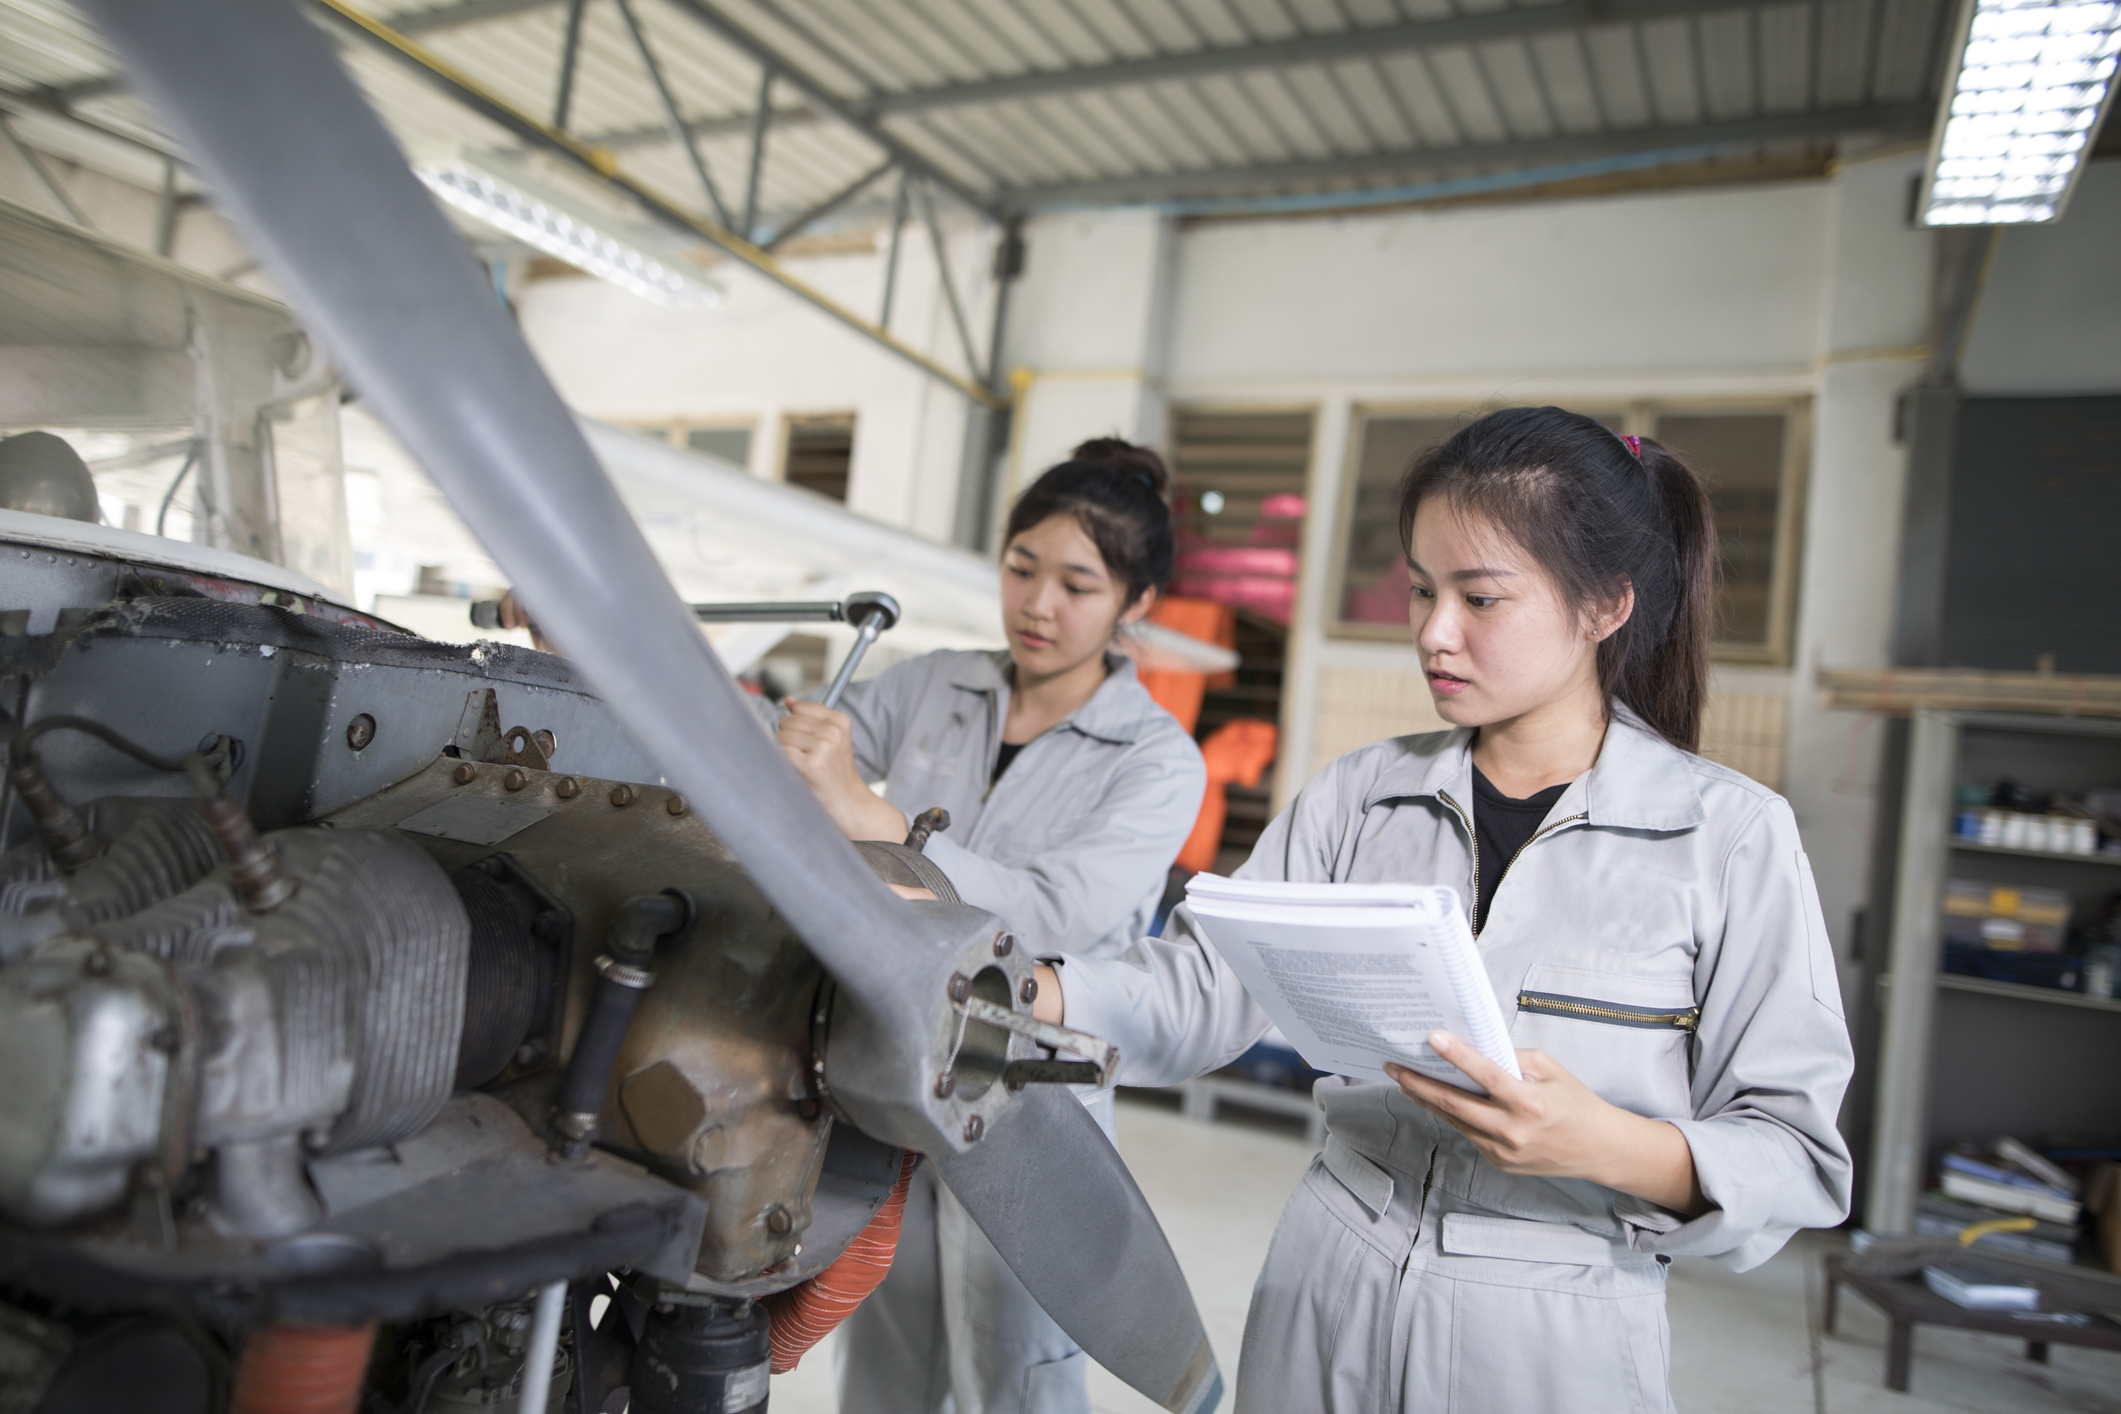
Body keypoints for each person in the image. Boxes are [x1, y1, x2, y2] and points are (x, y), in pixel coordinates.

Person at [1028, 407, 1855, 1413]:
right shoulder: (1356, 797)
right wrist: (1046, 988)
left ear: (1604, 606)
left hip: (1555, 1322)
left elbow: (1796, 1153)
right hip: (1324, 1283)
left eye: (1481, 597)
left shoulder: (1728, 838)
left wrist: (1602, 1142)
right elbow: (1207, 986)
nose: (1432, 631)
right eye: (1422, 590)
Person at [772, 437, 1208, 1414]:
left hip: (1027, 1101)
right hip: (888, 1073)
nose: (1038, 605)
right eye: (1021, 568)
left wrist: (878, 818)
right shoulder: (936, 682)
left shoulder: (1157, 760)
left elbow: (1058, 915)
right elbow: (794, 761)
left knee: (1016, 1374)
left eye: (1078, 585)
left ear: (1135, 606)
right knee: (882, 1348)